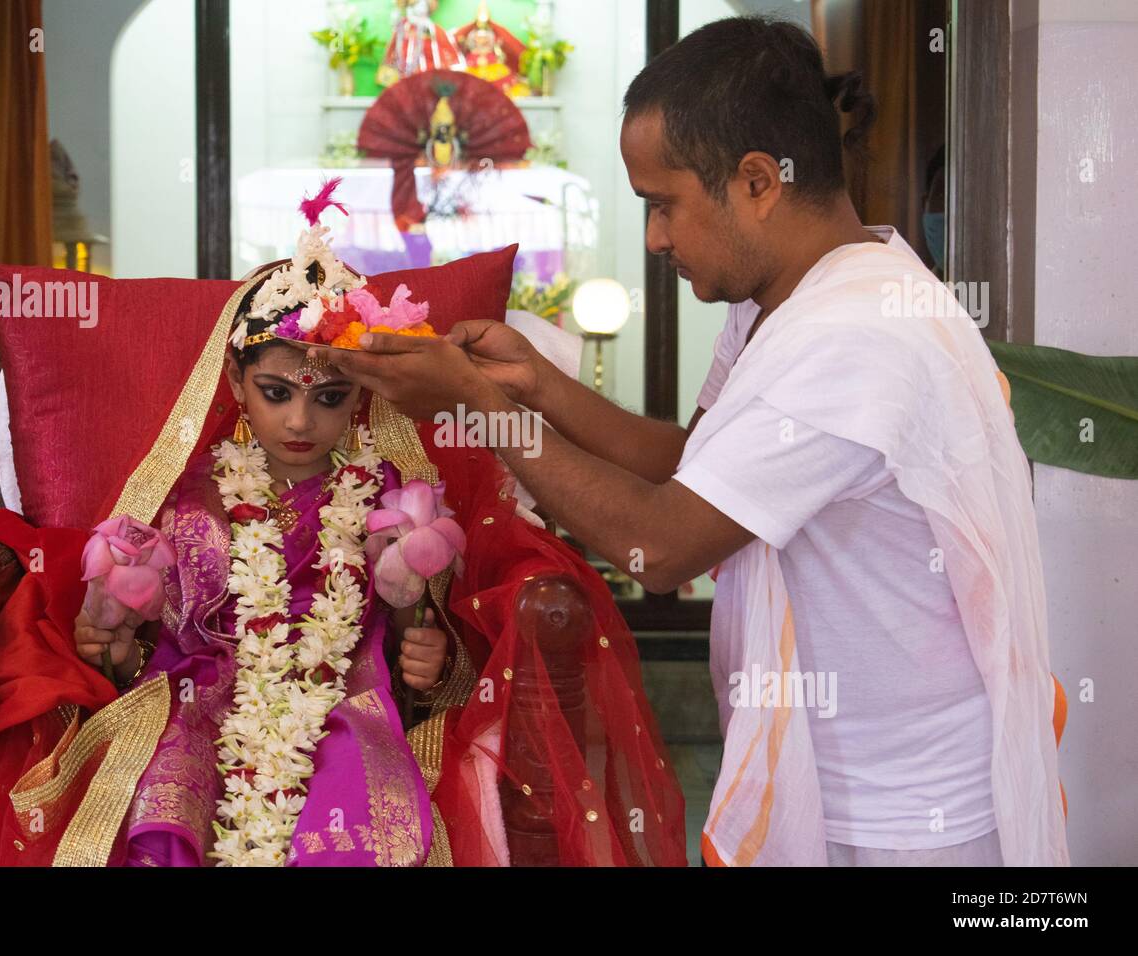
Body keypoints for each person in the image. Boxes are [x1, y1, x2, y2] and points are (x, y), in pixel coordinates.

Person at [315, 16, 1070, 867]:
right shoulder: (781, 299)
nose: (655, 239)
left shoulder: (858, 333)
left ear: (757, 182)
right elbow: (694, 467)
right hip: (840, 786)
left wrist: (481, 407)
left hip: (906, 819)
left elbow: (663, 544)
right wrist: (537, 385)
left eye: (663, 204)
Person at [0, 187, 685, 867]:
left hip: (346, 702)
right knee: (167, 802)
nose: (299, 420)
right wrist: (115, 647)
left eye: (328, 397)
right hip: (194, 706)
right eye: (276, 391)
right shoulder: (190, 499)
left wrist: (434, 658)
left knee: (348, 806)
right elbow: (146, 644)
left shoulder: (394, 502)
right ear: (233, 384)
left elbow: (433, 639)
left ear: (362, 396)